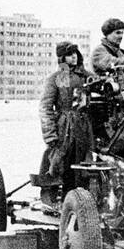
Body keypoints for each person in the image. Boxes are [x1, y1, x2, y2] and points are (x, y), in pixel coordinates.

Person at [39, 42, 93, 204]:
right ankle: (52, 202)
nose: (74, 57)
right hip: (64, 128)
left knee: (83, 166)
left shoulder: (87, 77)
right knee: (58, 164)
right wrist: (50, 135)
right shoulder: (58, 78)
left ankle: (80, 203)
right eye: (70, 54)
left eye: (76, 53)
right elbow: (45, 108)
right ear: (62, 58)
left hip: (84, 128)